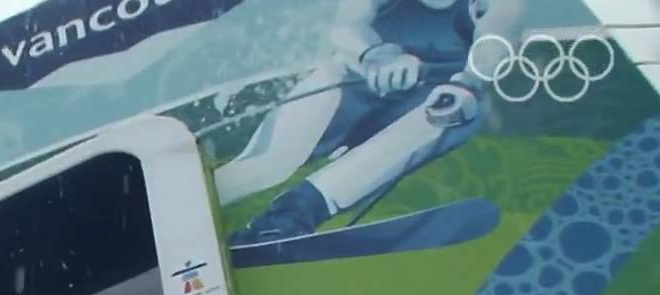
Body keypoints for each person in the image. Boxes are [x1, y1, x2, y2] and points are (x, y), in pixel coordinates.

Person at [214, 0, 526, 244]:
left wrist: (468, 81)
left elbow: (497, 37)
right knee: (267, 165)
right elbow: (347, 26)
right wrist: (377, 55)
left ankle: (289, 218)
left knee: (457, 112)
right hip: (353, 86)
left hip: (423, 102)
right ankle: (194, 204)